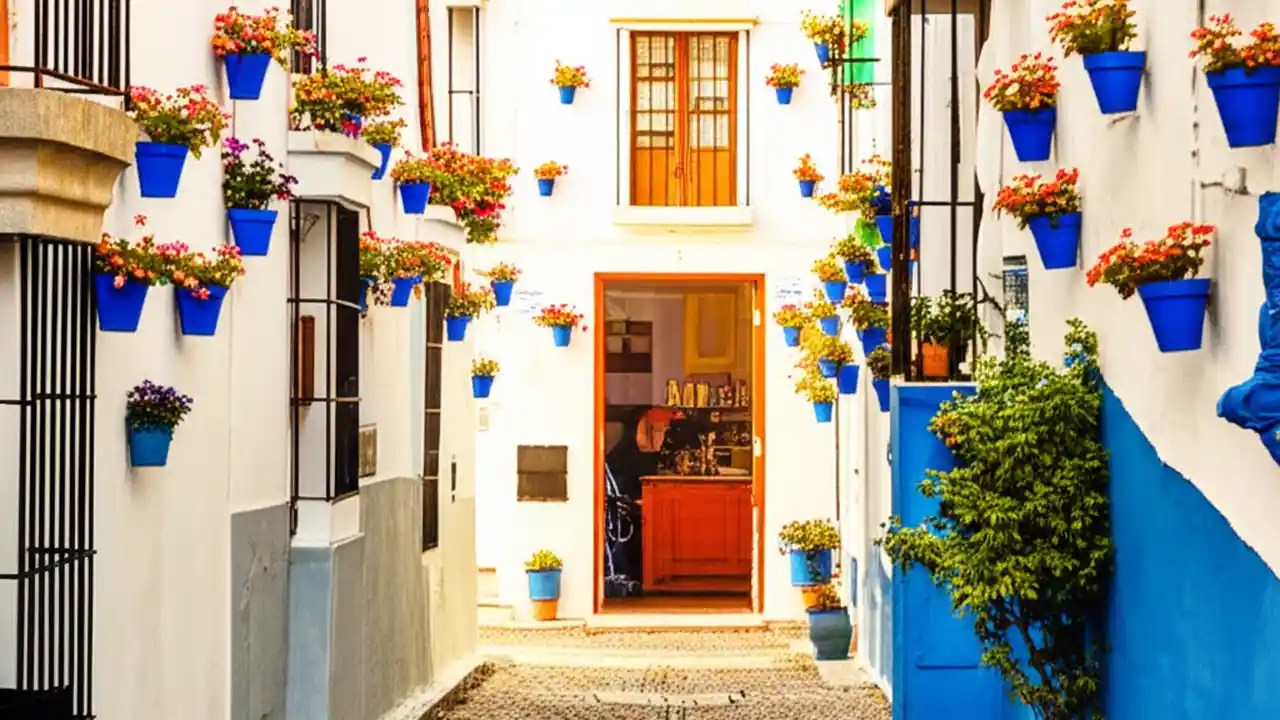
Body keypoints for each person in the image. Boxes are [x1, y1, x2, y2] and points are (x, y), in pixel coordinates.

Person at [603, 406, 674, 597]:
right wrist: (635, 501)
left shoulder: (648, 452)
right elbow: (621, 488)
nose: (664, 433)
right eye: (661, 428)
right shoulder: (624, 454)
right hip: (627, 509)